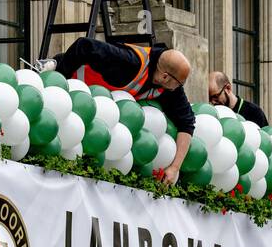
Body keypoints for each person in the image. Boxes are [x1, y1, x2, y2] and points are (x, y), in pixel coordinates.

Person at [38, 38, 195, 185]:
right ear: (165, 77)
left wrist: (174, 167)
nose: (180, 87)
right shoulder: (128, 62)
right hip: (63, 97)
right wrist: (60, 81)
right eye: (180, 83)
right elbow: (83, 46)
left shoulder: (169, 88)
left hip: (93, 115)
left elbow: (187, 122)